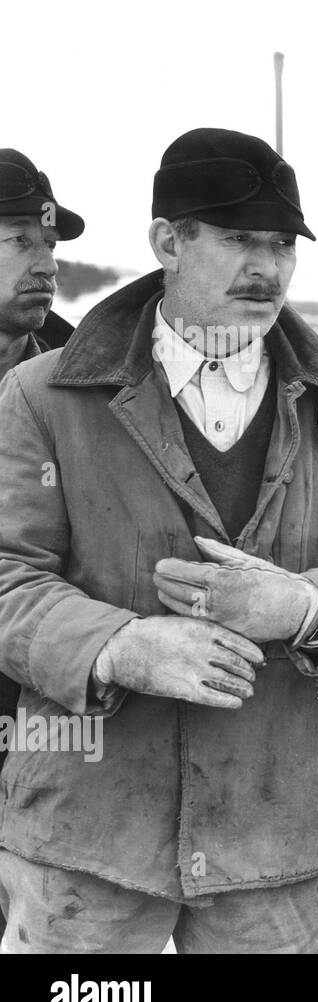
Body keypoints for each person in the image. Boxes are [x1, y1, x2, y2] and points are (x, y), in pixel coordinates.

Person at [0, 128, 318, 953]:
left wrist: (304, 603)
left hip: (271, 843)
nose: (266, 267)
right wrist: (118, 647)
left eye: (281, 245)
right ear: (168, 241)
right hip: (88, 844)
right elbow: (5, 574)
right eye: (238, 239)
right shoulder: (42, 396)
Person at [0, 147, 84, 941]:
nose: (45, 264)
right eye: (20, 241)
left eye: (51, 246)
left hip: (41, 718)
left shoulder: (78, 379)